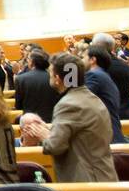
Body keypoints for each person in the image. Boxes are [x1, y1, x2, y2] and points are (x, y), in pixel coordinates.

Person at [22, 53, 116, 182]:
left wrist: (44, 135)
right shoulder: (92, 98)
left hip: (86, 181)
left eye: (50, 73)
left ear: (57, 78)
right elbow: (78, 136)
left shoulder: (67, 104)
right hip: (103, 174)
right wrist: (51, 132)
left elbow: (55, 146)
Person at [13, 49, 59, 122]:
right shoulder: (55, 78)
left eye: (28, 59)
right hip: (53, 121)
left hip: (30, 123)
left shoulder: (20, 79)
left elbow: (18, 106)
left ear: (32, 62)